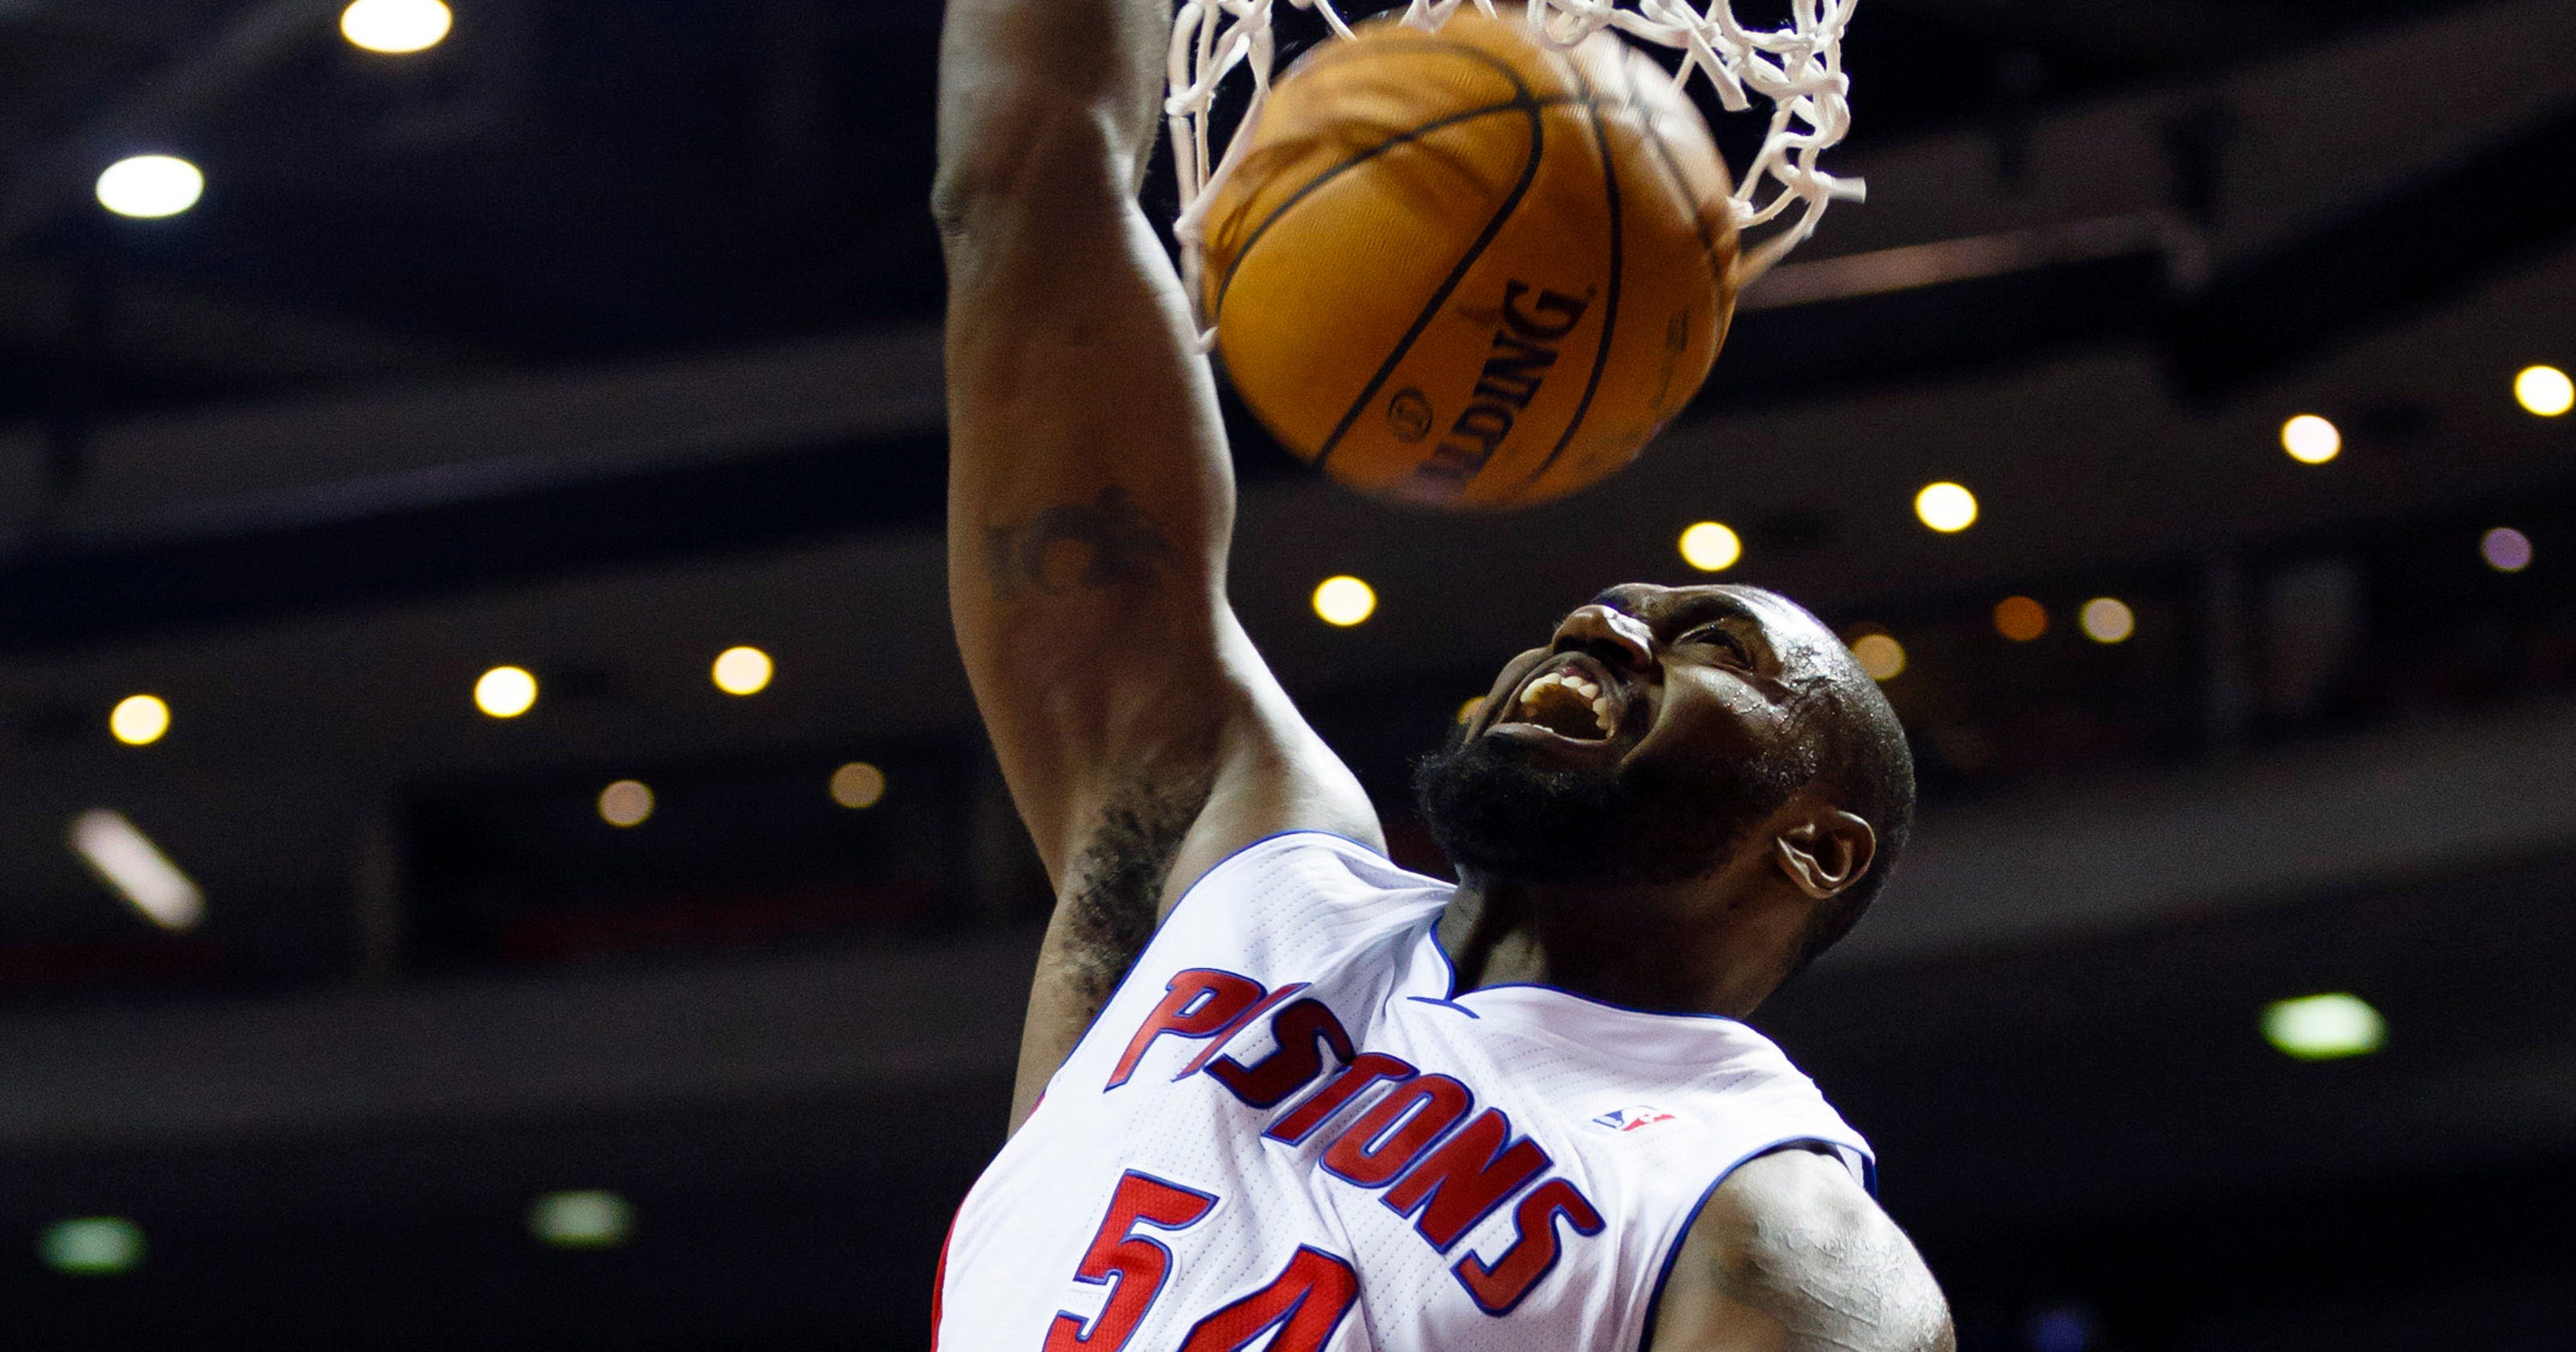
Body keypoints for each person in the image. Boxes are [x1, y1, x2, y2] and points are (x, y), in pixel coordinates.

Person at [928, 0, 1955, 1343]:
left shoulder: (1764, 1225)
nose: (1606, 628)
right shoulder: (1237, 871)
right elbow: (1025, 183)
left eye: (1714, 645)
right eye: (1603, 608)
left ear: (1816, 848)